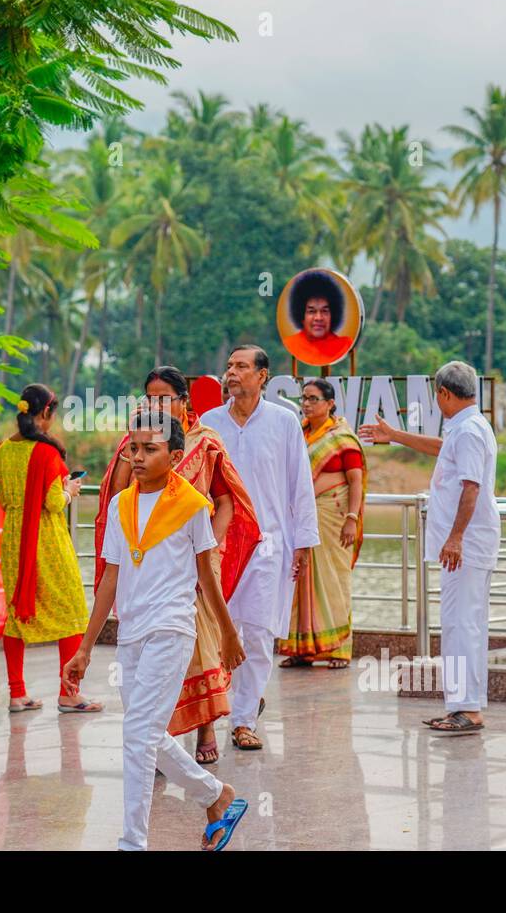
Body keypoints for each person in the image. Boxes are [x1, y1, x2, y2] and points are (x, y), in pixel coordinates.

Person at [64, 410, 248, 851]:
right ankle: (214, 794)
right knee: (147, 732)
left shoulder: (191, 505)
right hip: (131, 634)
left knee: (137, 736)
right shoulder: (119, 503)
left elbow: (207, 574)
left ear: (176, 455)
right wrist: (85, 649)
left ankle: (132, 842)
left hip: (172, 629)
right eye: (134, 449)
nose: (139, 457)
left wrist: (227, 633)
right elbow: (110, 577)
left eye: (151, 449)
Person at [94, 366, 261, 763]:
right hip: (147, 556)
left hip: (196, 555)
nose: (156, 405)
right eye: (149, 398)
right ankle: (158, 739)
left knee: (201, 645)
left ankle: (206, 729)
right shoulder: (136, 444)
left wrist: (211, 545)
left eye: (164, 398)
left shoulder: (205, 442)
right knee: (151, 654)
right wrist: (130, 448)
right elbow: (119, 494)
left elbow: (225, 501)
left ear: (183, 402)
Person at [359, 360, 498, 734]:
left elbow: (471, 487)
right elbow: (444, 448)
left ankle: (467, 709)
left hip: (465, 546)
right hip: (467, 545)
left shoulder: (468, 431)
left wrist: (455, 538)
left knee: (461, 625)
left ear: (443, 394)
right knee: (462, 624)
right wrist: (396, 435)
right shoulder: (468, 427)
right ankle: (464, 706)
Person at [199, 344, 320, 751]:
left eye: (241, 367)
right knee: (217, 630)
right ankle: (212, 714)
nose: (232, 373)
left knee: (258, 632)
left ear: (263, 376)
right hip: (217, 545)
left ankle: (244, 719)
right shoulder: (209, 423)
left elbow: (300, 485)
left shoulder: (285, 423)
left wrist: (303, 542)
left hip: (268, 544)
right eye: (229, 366)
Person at [0, 384, 101, 713]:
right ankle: (69, 692)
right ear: (46, 413)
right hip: (46, 539)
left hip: (14, 538)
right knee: (71, 609)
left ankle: (17, 693)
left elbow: (2, 497)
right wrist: (70, 489)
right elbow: (53, 502)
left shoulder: (2, 449)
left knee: (16, 613)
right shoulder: (46, 453)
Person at [279, 378, 367, 669]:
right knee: (299, 579)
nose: (306, 404)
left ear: (330, 404)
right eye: (304, 398)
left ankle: (339, 648)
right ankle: (301, 649)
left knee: (332, 580)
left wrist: (352, 519)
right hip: (300, 518)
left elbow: (356, 481)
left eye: (314, 399)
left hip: (333, 518)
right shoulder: (298, 433)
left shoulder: (343, 439)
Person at [282, 269, 353, 365]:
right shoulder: (291, 344)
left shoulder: (345, 345)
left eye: (324, 311)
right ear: (301, 314)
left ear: (333, 314)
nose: (318, 318)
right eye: (311, 311)